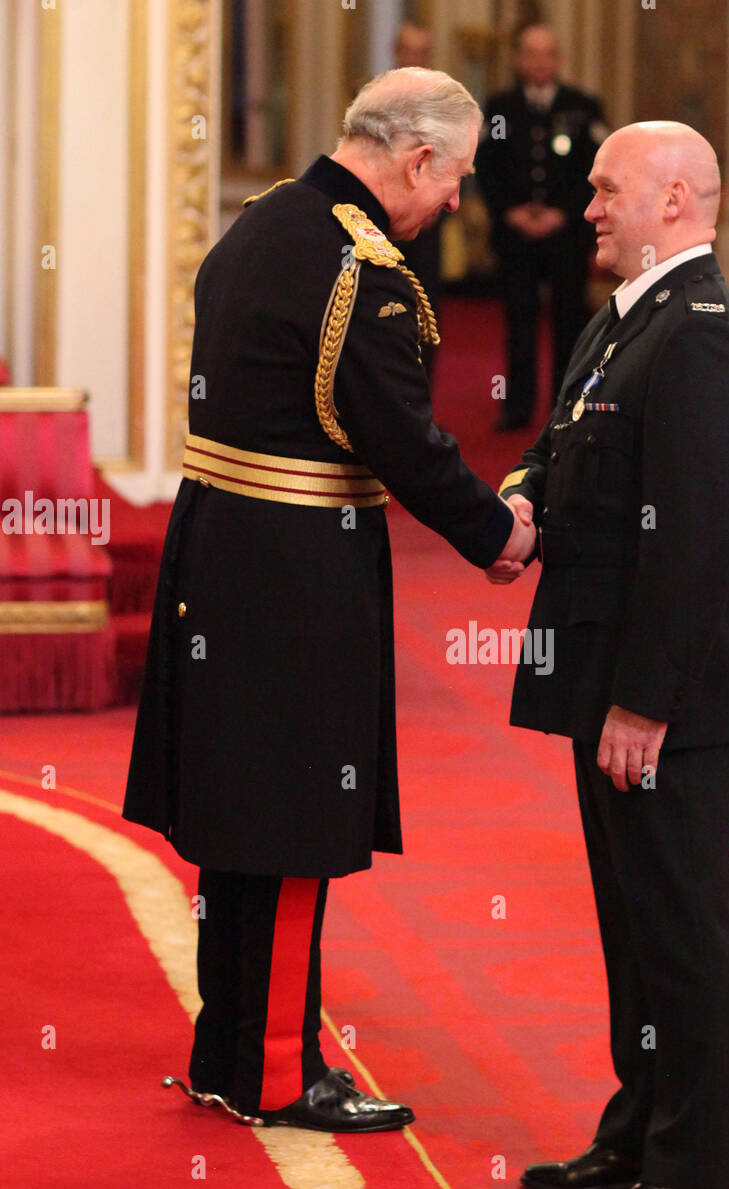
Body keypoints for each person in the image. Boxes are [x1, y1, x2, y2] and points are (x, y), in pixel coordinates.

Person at [123, 68, 535, 1134]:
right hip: (297, 569)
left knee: (237, 814)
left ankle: (230, 1048)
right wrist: (497, 533)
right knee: (299, 813)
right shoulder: (365, 269)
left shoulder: (262, 223)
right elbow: (403, 438)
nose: (456, 204)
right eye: (456, 180)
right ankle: (271, 1069)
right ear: (416, 160)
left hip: (220, 544)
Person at [494, 122, 729, 1189]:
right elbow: (564, 446)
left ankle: (698, 1172)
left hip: (672, 689)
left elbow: (697, 542)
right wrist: (522, 504)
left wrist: (644, 701)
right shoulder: (631, 317)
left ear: (674, 197)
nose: (590, 207)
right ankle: (642, 1121)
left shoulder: (703, 333)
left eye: (607, 190)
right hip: (609, 663)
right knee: (632, 920)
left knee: (683, 924)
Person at [476, 24, 606, 431]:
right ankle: (517, 406)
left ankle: (564, 406)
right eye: (530, 54)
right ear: (518, 59)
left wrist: (562, 213)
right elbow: (484, 166)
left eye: (546, 53)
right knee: (519, 320)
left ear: (558, 58)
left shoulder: (583, 106)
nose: (538, 62)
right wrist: (509, 210)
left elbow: (596, 170)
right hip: (515, 236)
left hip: (567, 234)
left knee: (570, 321)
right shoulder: (498, 107)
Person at [391, 22, 442, 389]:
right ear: (397, 52)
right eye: (409, 50)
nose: (415, 59)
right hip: (381, 228)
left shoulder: (444, 108)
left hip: (426, 226)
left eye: (422, 52)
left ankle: (420, 406)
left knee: (425, 316)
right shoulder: (374, 103)